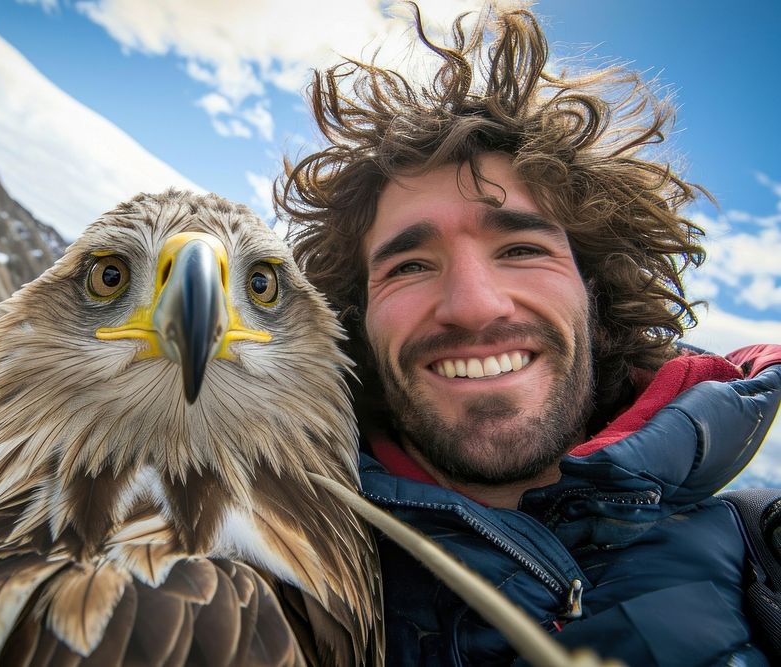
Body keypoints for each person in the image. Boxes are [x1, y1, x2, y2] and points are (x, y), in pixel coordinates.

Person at [276, 5, 781, 665]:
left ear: (597, 300)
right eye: (410, 266)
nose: (472, 306)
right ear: (355, 323)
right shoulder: (253, 580)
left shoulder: (767, 561)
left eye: (520, 250)